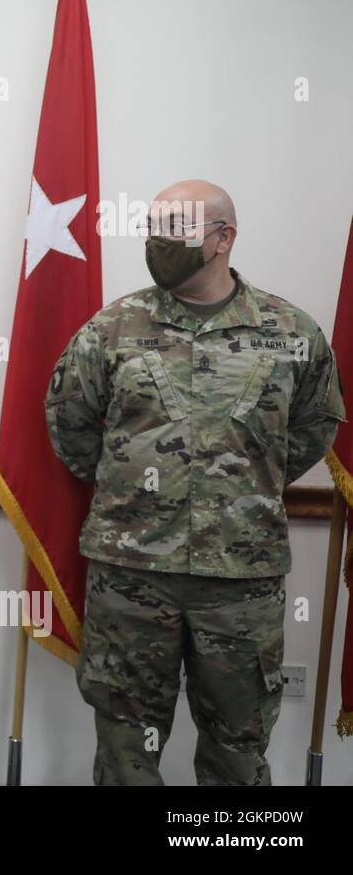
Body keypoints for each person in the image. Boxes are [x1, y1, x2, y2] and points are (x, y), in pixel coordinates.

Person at [46, 178, 345, 784]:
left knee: (238, 749)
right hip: (132, 577)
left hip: (240, 580)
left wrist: (238, 487)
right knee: (126, 748)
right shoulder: (112, 329)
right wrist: (137, 496)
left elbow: (314, 428)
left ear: (222, 239)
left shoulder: (291, 334)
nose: (158, 242)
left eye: (174, 229)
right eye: (151, 229)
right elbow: (70, 424)